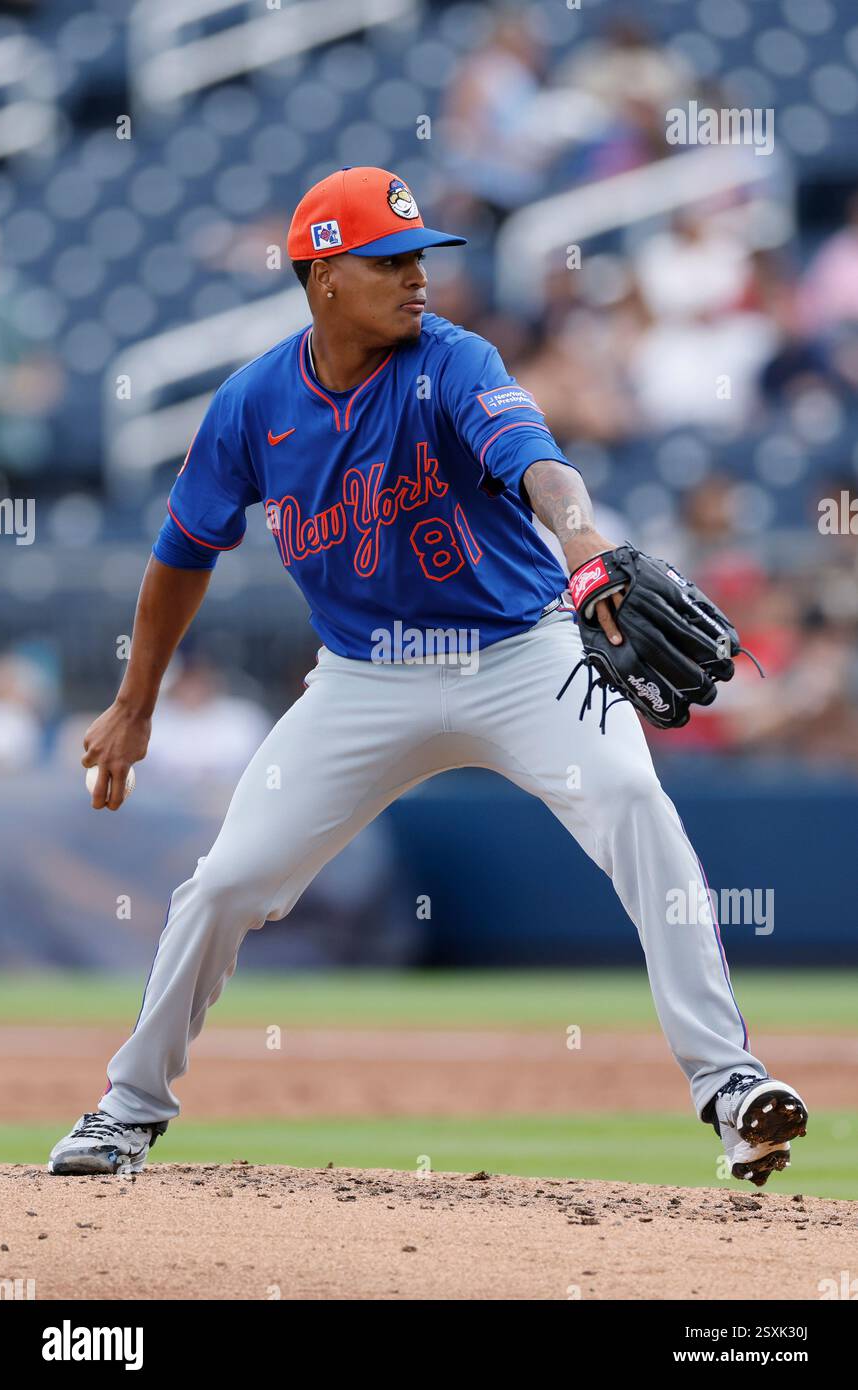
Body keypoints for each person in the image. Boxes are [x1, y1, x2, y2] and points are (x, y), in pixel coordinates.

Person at [48, 167, 807, 1186]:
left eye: (421, 257)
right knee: (224, 882)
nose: (417, 278)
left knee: (633, 799)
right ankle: (124, 1112)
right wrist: (134, 706)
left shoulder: (451, 361)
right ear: (321, 277)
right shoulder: (252, 404)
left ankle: (728, 1089)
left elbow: (541, 464)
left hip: (520, 651)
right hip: (365, 681)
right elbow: (181, 553)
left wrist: (584, 546)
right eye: (390, 260)